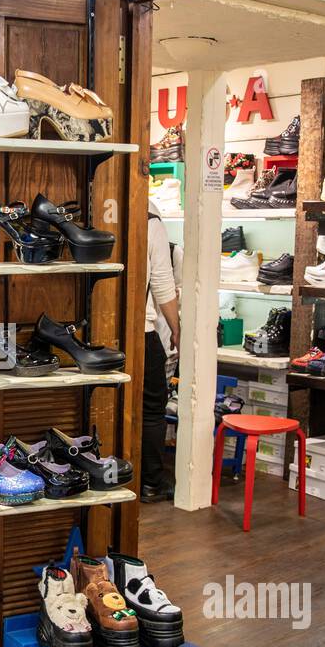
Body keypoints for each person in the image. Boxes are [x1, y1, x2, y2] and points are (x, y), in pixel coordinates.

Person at [142, 199, 179, 503]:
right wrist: (177, 329)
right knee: (153, 409)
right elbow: (163, 284)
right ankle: (151, 481)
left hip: (99, 331)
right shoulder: (151, 220)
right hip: (141, 333)